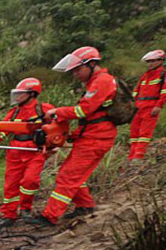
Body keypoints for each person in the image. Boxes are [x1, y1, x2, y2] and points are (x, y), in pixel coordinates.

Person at [36, 47, 117, 226]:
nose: (74, 74)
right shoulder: (97, 81)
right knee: (70, 175)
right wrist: (74, 134)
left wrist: (57, 112)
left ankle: (50, 216)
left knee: (68, 177)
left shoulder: (102, 81)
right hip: (91, 136)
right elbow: (92, 116)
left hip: (96, 138)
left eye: (77, 70)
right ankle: (85, 206)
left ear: (92, 64)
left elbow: (83, 110)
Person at [0, 78, 55, 226]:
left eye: (21, 94)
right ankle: (9, 215)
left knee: (30, 180)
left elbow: (57, 127)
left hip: (35, 151)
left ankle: (25, 209)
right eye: (17, 93)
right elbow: (2, 131)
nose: (17, 97)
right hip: (15, 151)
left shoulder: (44, 109)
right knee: (11, 185)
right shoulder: (14, 113)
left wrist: (53, 143)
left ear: (32, 94)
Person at [128, 50, 166, 160]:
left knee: (145, 133)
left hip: (151, 106)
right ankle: (131, 157)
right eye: (148, 61)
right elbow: (136, 92)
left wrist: (158, 106)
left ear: (161, 61)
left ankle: (138, 157)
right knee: (134, 133)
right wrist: (131, 106)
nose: (150, 64)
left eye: (153, 61)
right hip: (138, 106)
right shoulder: (145, 76)